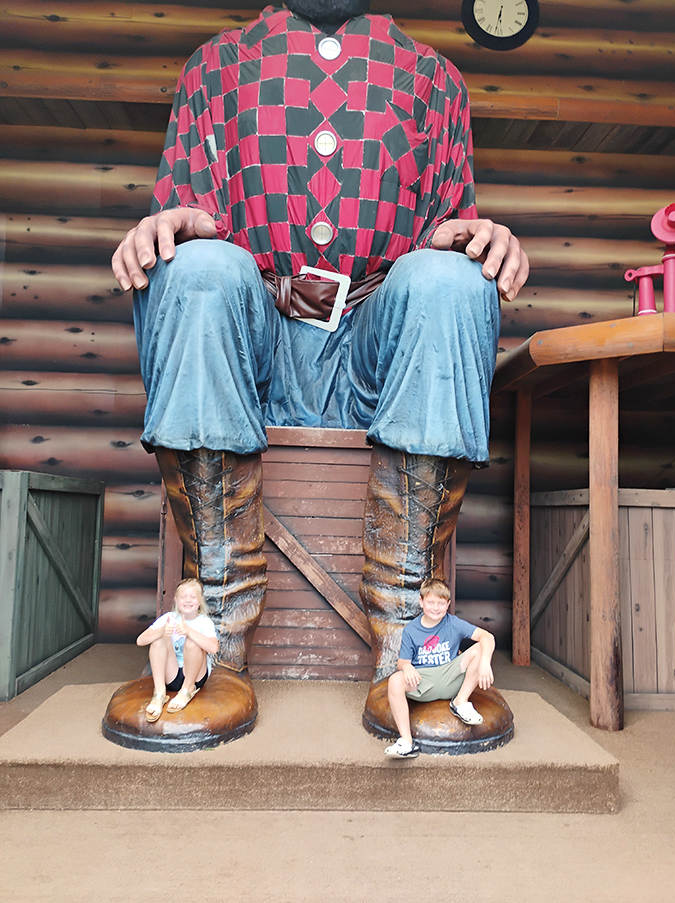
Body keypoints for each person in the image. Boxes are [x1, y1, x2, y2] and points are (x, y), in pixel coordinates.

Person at [111, 1, 529, 741]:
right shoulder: (215, 66)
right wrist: (164, 227)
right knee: (196, 269)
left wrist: (476, 242)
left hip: (375, 349)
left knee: (451, 283)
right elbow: (187, 221)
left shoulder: (436, 80)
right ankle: (213, 635)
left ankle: (409, 637)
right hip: (256, 343)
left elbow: (446, 238)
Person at [384, 578, 495, 758]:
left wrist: (484, 663)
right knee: (395, 680)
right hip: (423, 681)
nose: (436, 608)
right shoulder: (411, 630)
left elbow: (487, 636)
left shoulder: (453, 623)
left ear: (448, 604)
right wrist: (407, 667)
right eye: (431, 602)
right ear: (421, 602)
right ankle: (406, 742)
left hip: (450, 676)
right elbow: (402, 661)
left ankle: (460, 702)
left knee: (480, 647)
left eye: (441, 603)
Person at [136, 578, 219, 722]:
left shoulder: (204, 622)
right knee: (158, 640)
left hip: (194, 678)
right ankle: (160, 693)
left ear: (199, 601)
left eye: (193, 597)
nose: (188, 600)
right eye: (183, 597)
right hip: (172, 675)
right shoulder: (168, 618)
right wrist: (161, 631)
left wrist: (188, 631)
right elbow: (140, 641)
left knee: (193, 643)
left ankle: (186, 691)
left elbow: (213, 648)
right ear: (176, 600)